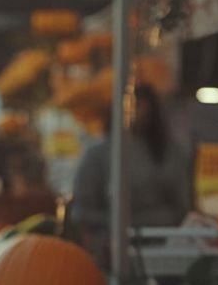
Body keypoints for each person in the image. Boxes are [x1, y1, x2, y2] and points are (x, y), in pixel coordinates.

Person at [69, 83, 192, 270]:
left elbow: (183, 201)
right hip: (113, 243)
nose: (136, 113)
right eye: (131, 106)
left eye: (141, 106)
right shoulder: (98, 154)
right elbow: (84, 209)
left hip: (165, 242)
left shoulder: (170, 152)